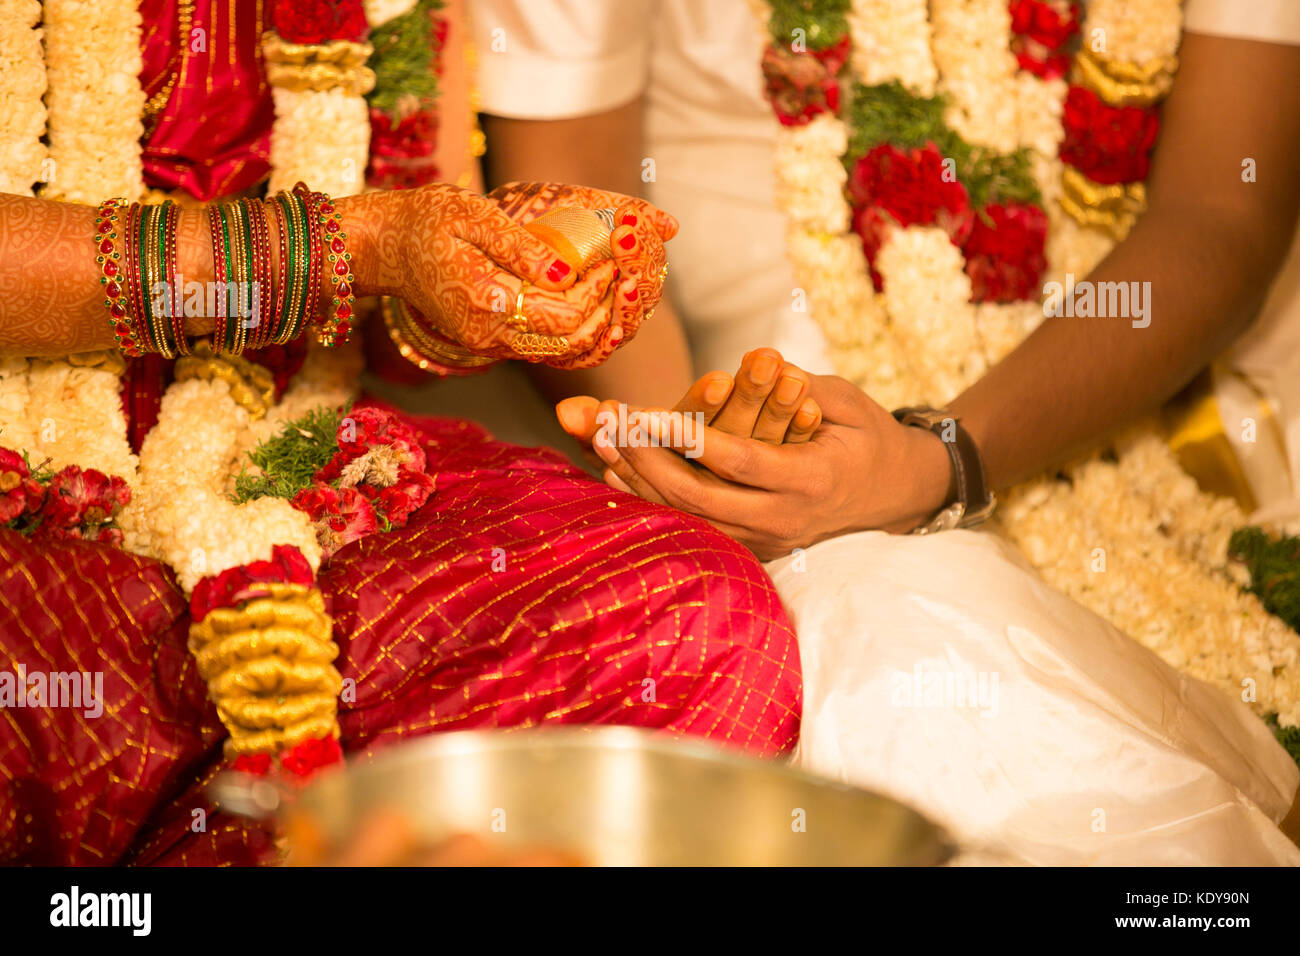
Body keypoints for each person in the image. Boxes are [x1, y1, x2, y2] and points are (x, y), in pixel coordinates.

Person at [473, 0, 1300, 862]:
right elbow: (570, 193)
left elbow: (1222, 209)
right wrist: (709, 462)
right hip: (760, 408)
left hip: (1135, 403)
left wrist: (941, 460)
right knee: (890, 666)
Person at [0, 0, 800, 866]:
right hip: (26, 477)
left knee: (692, 621)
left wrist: (503, 277)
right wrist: (357, 246)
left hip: (294, 449)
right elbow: (372, 248)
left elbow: (394, 317)